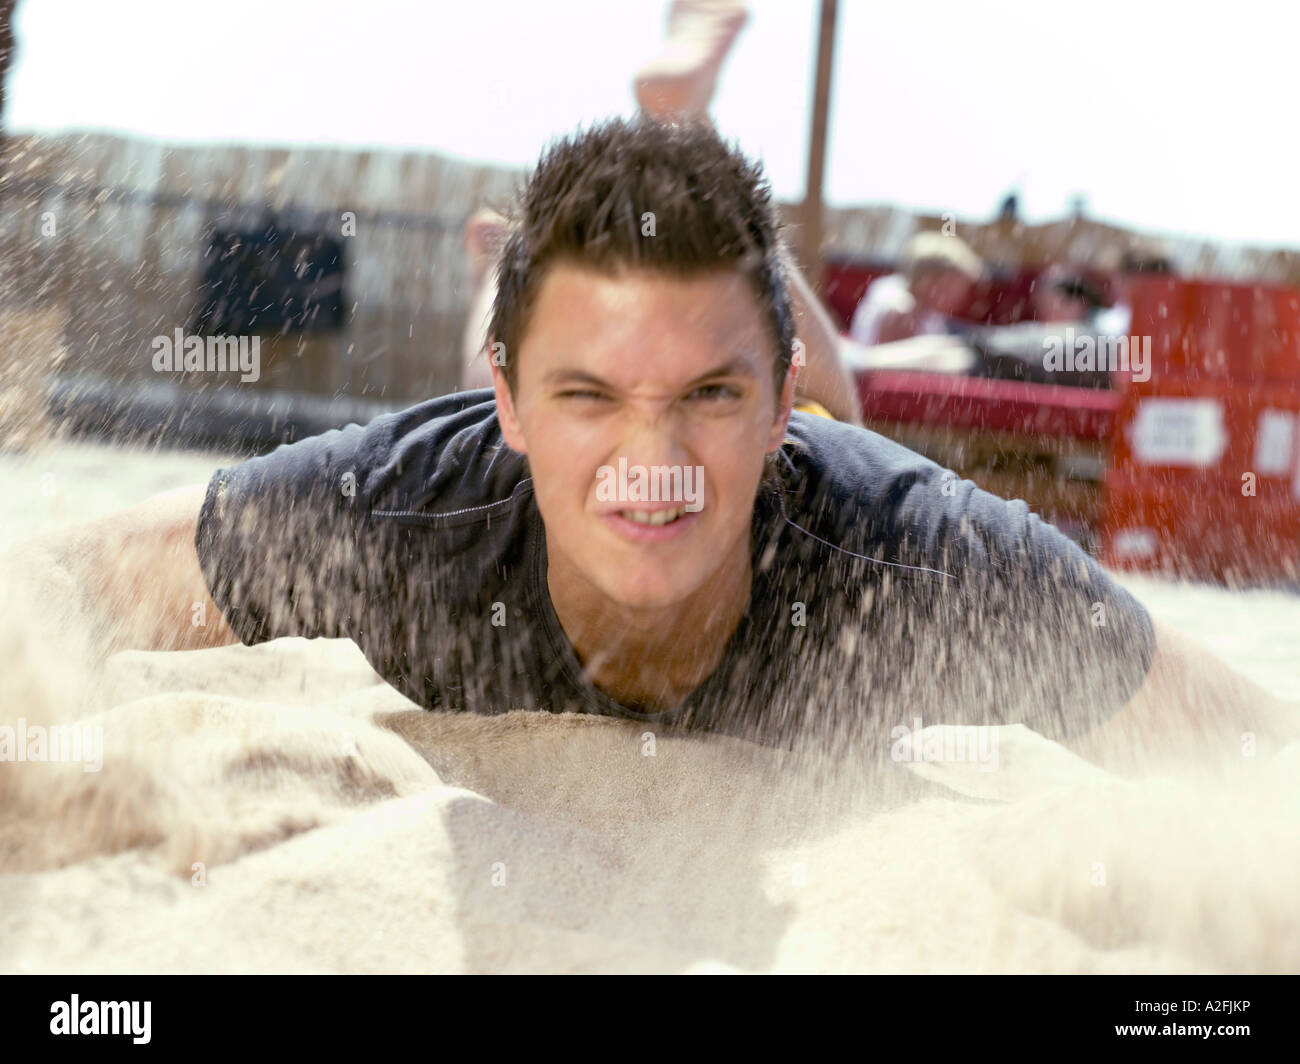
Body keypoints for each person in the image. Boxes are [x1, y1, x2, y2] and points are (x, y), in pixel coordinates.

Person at [9, 117, 1295, 773]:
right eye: (587, 398)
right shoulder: (400, 517)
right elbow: (66, 583)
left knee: (847, 412)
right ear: (514, 412)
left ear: (771, 405)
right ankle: (529, 289)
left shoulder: (918, 560)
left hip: (820, 447)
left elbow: (1247, 751)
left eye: (710, 398)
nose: (651, 462)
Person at [460, 0, 862, 424]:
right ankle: (687, 134)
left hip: (563, 445)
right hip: (742, 451)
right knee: (831, 423)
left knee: (490, 410)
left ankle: (499, 258)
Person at [849, 232, 982, 347]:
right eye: (954, 286)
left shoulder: (924, 312)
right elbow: (890, 371)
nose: (960, 295)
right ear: (928, 282)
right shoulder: (901, 313)